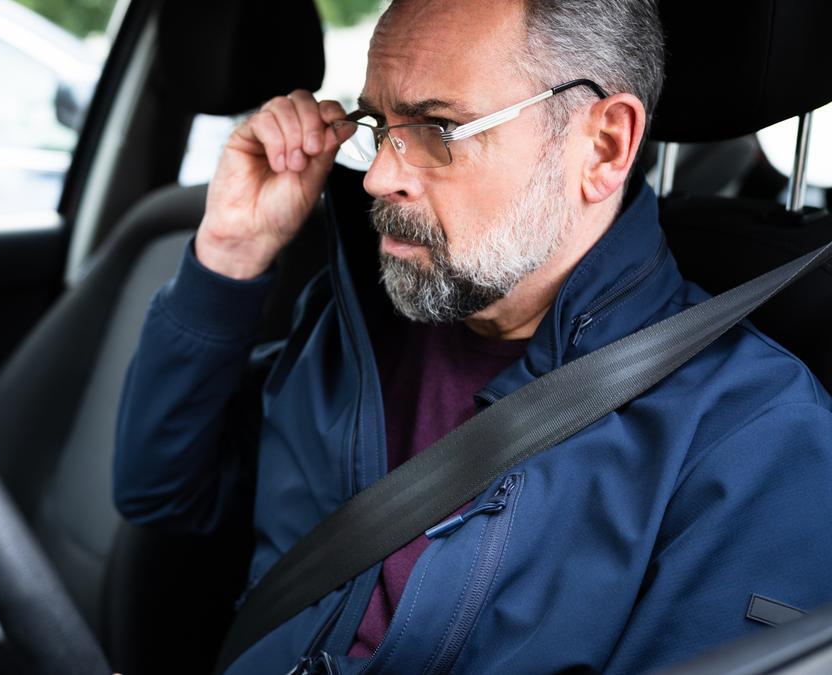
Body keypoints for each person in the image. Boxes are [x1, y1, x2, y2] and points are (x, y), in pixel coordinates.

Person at [113, 0, 832, 672]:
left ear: (605, 146)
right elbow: (162, 495)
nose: (379, 177)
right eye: (378, 126)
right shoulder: (354, 315)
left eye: (436, 130)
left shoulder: (753, 434)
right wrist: (231, 256)